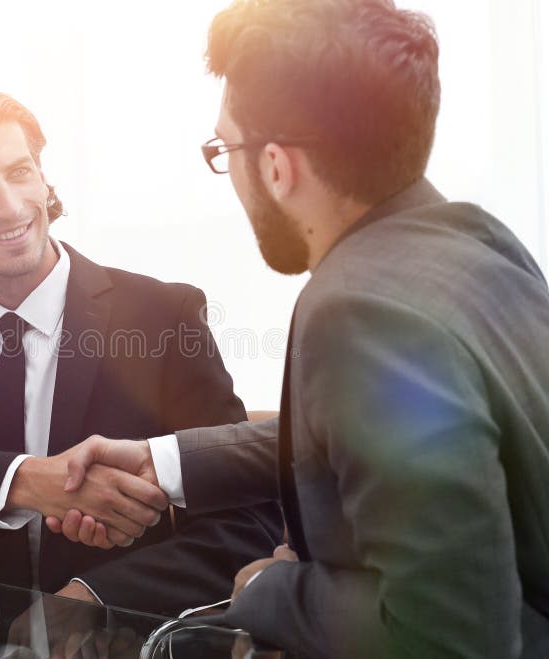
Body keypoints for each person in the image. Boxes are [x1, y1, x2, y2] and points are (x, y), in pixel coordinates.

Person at [46, 0, 549, 656]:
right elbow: (393, 433)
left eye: (224, 148)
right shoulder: (477, 239)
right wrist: (164, 460)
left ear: (278, 166)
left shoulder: (359, 313)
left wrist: (272, 586)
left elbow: (451, 630)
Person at [0, 89, 283, 619]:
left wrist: (97, 597)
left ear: (43, 179)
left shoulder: (162, 314)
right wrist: (27, 483)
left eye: (20, 172)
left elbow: (248, 521)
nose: (10, 206)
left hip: (115, 638)